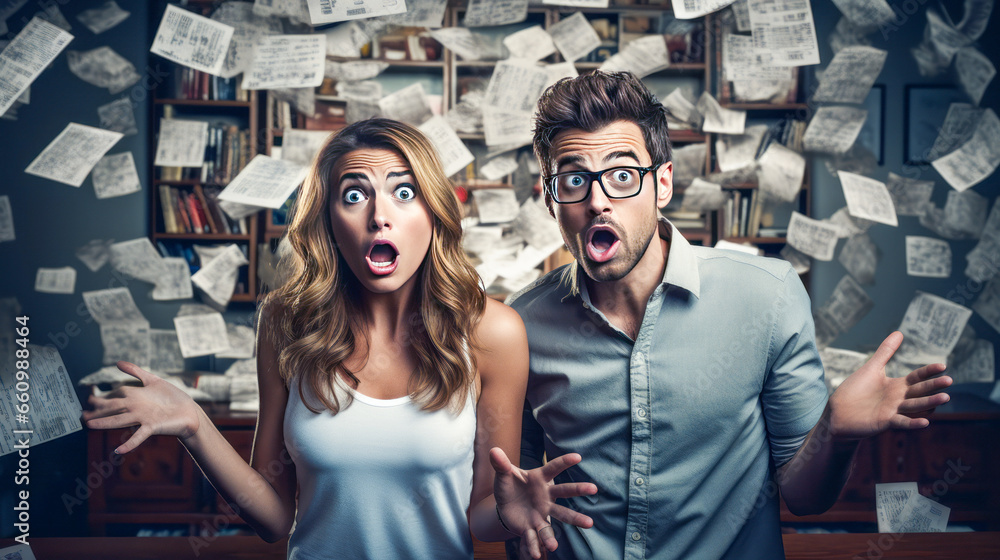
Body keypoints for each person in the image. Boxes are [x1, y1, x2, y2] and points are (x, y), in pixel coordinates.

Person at [83, 118, 596, 560]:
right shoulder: (286, 322)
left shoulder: (493, 333)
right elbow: (274, 519)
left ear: (433, 213)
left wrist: (509, 514)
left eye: (403, 191)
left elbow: (482, 516)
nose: (379, 215)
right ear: (329, 221)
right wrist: (195, 425)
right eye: (354, 194)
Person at [504, 72, 953, 559]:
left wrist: (835, 431)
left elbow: (805, 500)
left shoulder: (768, 297)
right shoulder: (521, 324)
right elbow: (512, 497)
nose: (596, 200)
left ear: (662, 184)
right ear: (551, 200)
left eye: (621, 175)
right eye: (573, 179)